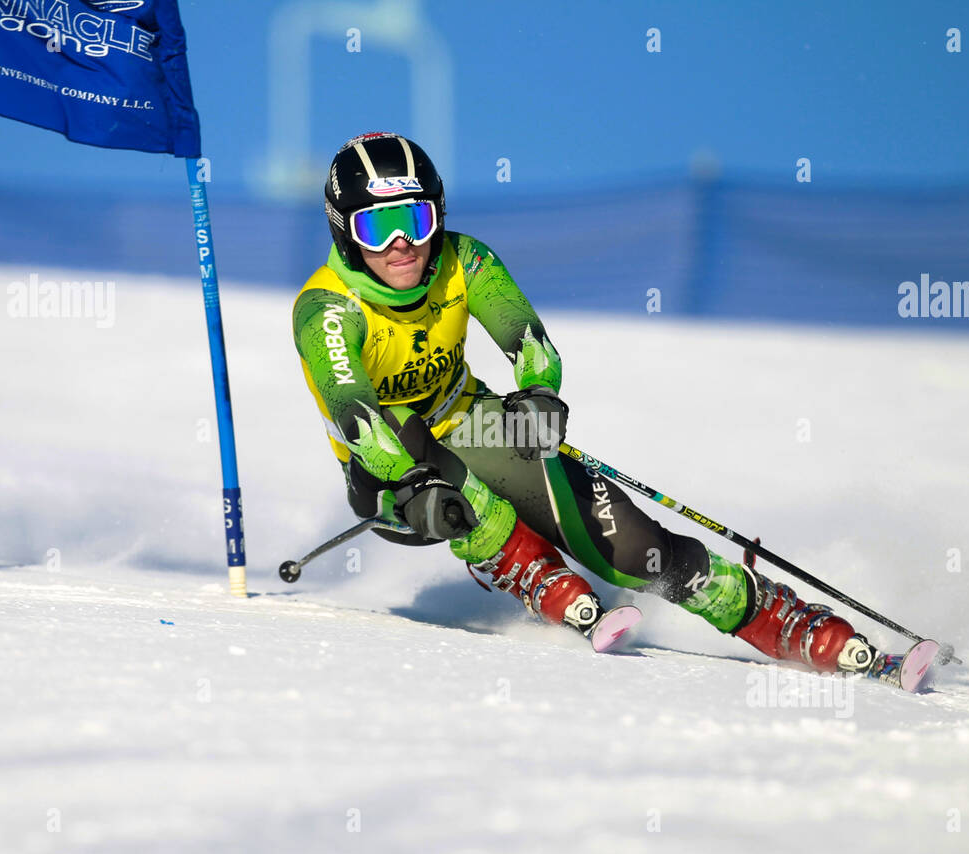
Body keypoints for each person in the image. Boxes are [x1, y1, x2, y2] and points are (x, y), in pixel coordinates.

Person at [292, 131, 886, 676]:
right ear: (344, 231)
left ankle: (783, 619)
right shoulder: (326, 310)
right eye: (377, 228)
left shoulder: (463, 260)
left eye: (416, 222)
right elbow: (359, 416)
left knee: (634, 549)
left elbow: (528, 340)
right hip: (386, 474)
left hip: (471, 420)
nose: (402, 246)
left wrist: (538, 396)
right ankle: (522, 565)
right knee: (423, 459)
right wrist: (414, 481)